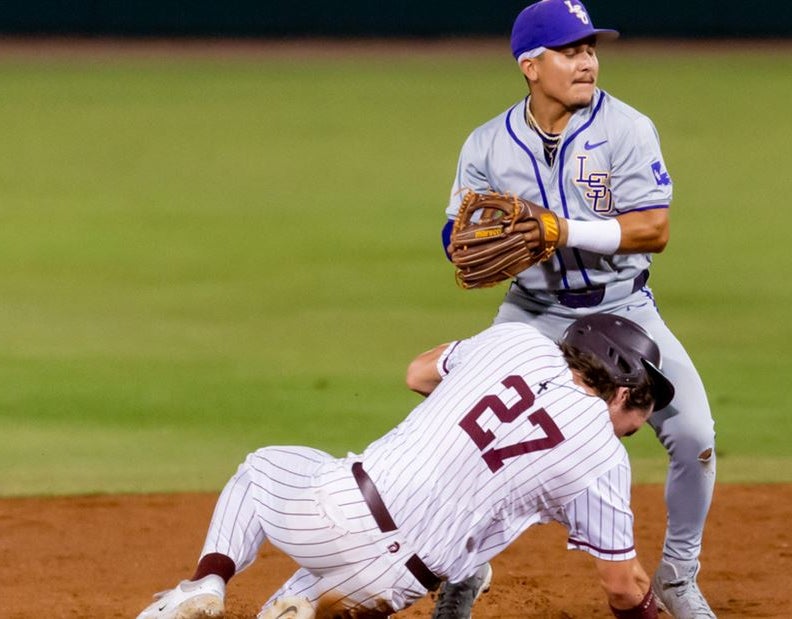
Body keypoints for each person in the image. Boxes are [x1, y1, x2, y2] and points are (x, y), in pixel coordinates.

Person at [436, 1, 717, 617]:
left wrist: (558, 229)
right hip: (532, 314)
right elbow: (456, 234)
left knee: (695, 436)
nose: (587, 61)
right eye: (571, 50)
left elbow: (653, 229)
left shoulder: (628, 128)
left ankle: (678, 575)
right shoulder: (486, 144)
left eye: (591, 48)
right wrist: (468, 243)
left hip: (625, 311)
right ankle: (461, 565)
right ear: (530, 66)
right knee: (454, 432)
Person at [135, 313, 674, 619]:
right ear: (624, 390)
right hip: (396, 581)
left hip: (341, 509)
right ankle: (303, 607)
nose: (640, 426)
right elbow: (624, 587)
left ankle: (206, 585)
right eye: (644, 411)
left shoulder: (516, 342)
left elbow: (419, 374)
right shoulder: (602, 459)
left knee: (260, 472)